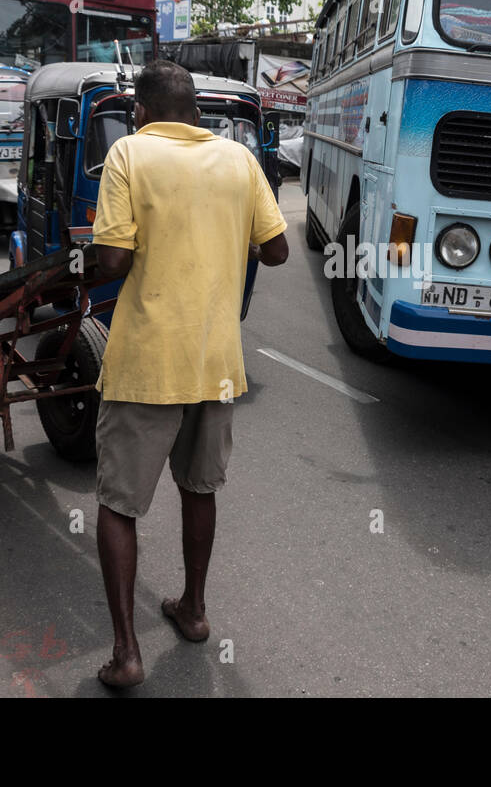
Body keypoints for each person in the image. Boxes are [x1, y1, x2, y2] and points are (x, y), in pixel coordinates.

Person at [91, 61, 289, 689]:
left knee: (119, 504)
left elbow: (114, 258)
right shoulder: (238, 160)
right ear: (197, 113)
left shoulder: (128, 152)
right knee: (199, 489)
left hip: (148, 361)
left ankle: (127, 654)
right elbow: (279, 249)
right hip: (217, 362)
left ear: (142, 112)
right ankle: (194, 611)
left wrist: (87, 266)